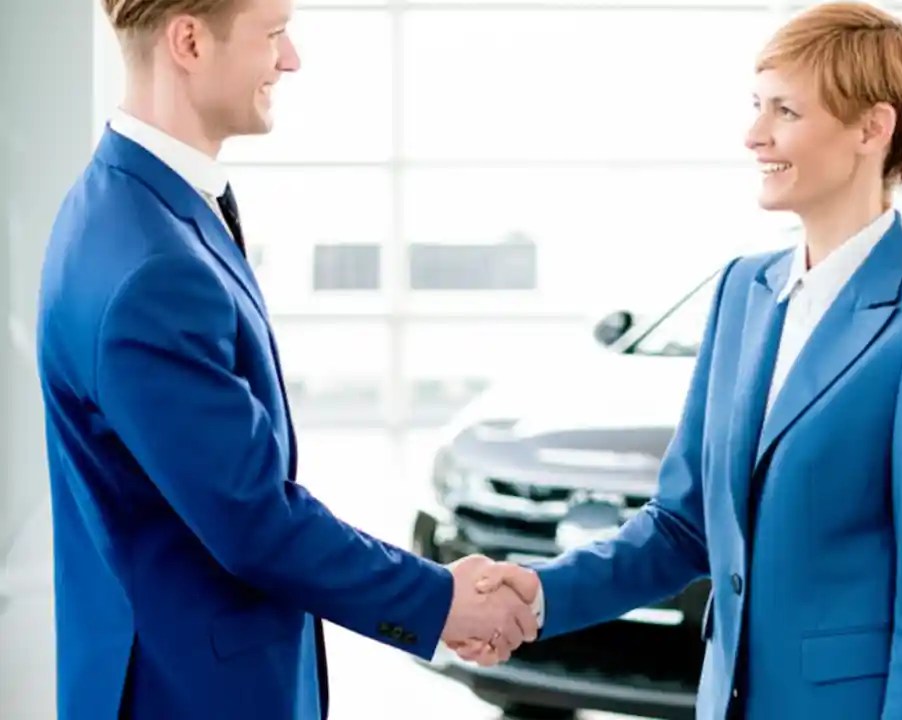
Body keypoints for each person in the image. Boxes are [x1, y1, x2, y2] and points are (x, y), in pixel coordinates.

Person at [466, 3, 902, 717]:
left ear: (873, 128)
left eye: (785, 111)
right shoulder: (743, 291)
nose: (754, 135)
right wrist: (545, 592)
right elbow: (683, 523)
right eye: (756, 106)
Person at [35, 1, 537, 718]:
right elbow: (255, 522)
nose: (291, 58)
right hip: (189, 695)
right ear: (188, 41)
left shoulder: (128, 204)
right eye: (272, 34)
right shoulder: (151, 265)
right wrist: (439, 602)